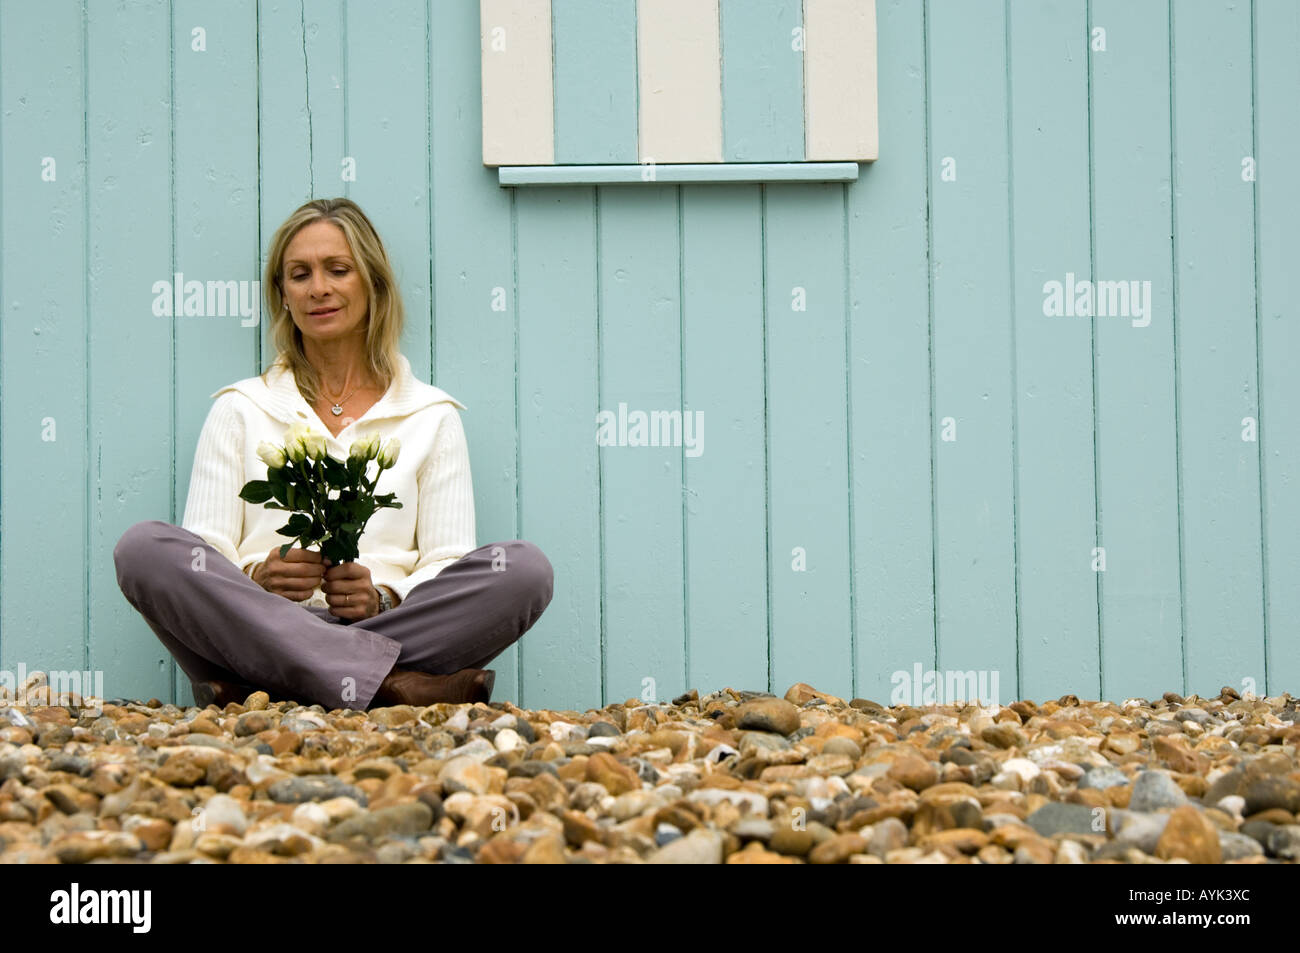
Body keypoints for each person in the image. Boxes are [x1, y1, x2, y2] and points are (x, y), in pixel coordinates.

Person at [113, 197, 554, 711]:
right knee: (143, 549)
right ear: (282, 295)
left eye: (338, 270)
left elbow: (446, 560)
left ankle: (279, 685)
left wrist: (382, 598)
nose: (318, 288)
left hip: (385, 626)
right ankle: (391, 687)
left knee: (524, 570)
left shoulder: (431, 415)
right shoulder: (240, 408)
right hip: (257, 624)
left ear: (373, 284)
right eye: (299, 274)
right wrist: (258, 577)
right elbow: (203, 551)